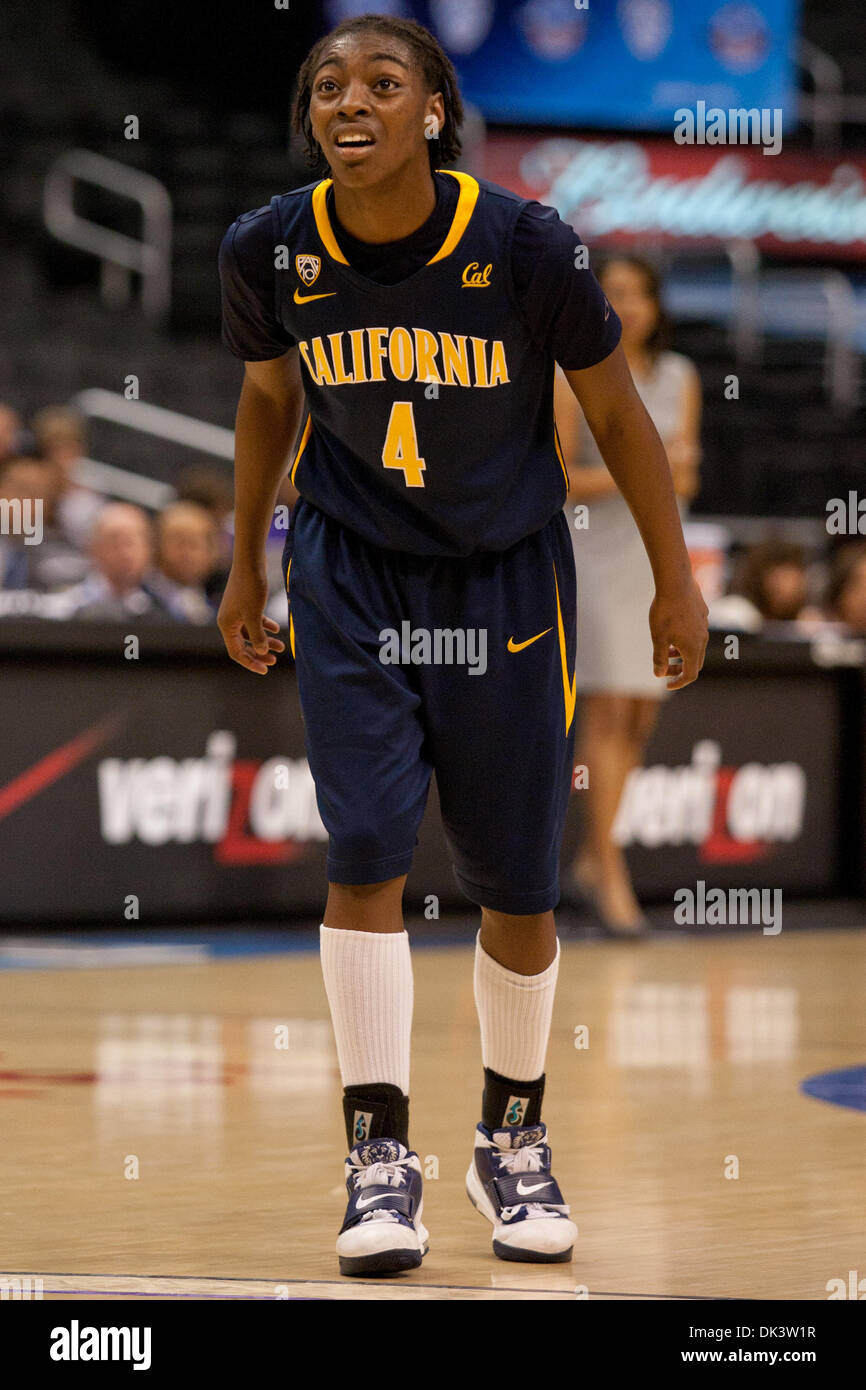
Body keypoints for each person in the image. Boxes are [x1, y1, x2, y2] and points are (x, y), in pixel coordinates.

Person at [217, 14, 707, 1278]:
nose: (349, 102)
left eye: (382, 82)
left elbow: (618, 412)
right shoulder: (269, 248)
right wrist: (242, 569)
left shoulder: (523, 244)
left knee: (515, 884)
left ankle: (511, 1135)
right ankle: (378, 1163)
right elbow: (268, 398)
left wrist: (673, 583)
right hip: (345, 574)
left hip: (505, 583)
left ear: (432, 110)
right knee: (368, 843)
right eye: (326, 86)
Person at [554, 255, 702, 936]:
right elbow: (559, 480)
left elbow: (686, 481)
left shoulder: (681, 376)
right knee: (608, 712)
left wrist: (669, 473)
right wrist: (641, 468)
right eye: (614, 293)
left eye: (640, 294)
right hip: (592, 552)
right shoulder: (566, 372)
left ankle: (590, 858)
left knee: (641, 715)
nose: (629, 306)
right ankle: (609, 874)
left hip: (653, 554)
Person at [59, 502, 165, 620]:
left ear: (148, 550)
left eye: (132, 542)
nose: (125, 553)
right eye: (115, 542)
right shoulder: (64, 610)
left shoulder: (164, 611)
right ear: (93, 548)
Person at [32, 405, 105, 549]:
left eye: (69, 447)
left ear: (80, 449)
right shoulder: (29, 483)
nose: (61, 457)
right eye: (54, 448)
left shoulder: (91, 491)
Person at [146, 501, 218, 623]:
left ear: (211, 553)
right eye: (179, 543)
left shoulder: (222, 605)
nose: (186, 553)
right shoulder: (139, 604)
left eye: (194, 544)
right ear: (157, 547)